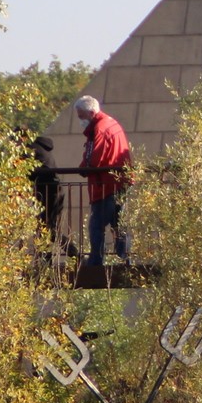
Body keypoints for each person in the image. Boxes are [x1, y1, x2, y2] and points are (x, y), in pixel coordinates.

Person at [75, 95, 132, 282]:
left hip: (105, 185)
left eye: (81, 116)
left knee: (96, 226)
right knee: (119, 224)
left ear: (91, 113)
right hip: (119, 182)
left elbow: (95, 158)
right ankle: (124, 260)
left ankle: (95, 262)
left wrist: (84, 169)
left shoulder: (98, 128)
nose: (80, 120)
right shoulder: (111, 124)